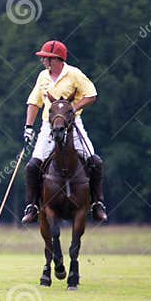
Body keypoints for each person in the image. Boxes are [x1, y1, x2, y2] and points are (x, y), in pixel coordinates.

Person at [21, 40, 107, 223]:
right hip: (47, 126)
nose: (43, 61)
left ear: (57, 59)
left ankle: (98, 204)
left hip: (73, 126)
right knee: (32, 166)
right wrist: (28, 127)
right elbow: (33, 102)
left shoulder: (74, 74)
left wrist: (72, 109)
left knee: (95, 161)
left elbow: (91, 95)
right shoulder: (42, 77)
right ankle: (32, 206)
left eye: (46, 58)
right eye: (43, 58)